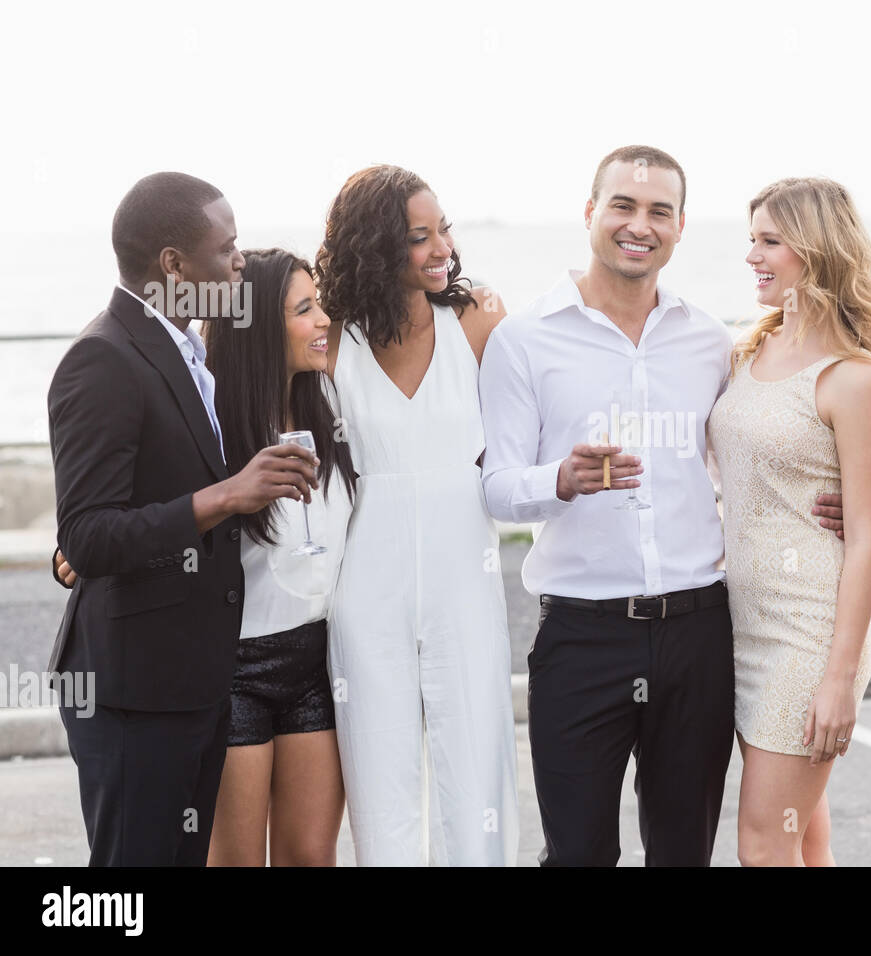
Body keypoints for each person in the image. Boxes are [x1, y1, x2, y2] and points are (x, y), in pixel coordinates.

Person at [479, 146, 846, 866]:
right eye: (622, 205)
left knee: (684, 853)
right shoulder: (524, 340)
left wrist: (820, 500)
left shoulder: (711, 340)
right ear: (590, 213)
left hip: (700, 631)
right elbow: (495, 486)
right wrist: (560, 479)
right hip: (581, 638)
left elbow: (755, 444)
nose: (638, 225)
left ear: (680, 227)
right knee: (577, 854)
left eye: (658, 212)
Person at [47, 173, 319, 866]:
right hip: (132, 692)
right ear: (173, 264)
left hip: (192, 684)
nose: (239, 263)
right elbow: (87, 537)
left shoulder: (191, 351)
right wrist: (228, 496)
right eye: (227, 250)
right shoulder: (102, 357)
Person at [316, 165, 518, 866]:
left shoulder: (480, 318)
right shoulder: (332, 338)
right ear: (374, 247)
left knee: (476, 762)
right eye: (419, 238)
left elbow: (529, 427)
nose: (443, 249)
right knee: (379, 771)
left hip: (467, 564)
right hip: (365, 576)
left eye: (445, 230)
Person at [708, 177, 871, 866]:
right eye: (751, 239)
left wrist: (839, 677)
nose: (753, 256)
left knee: (764, 840)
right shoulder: (745, 351)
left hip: (808, 632)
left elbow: (870, 533)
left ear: (815, 250)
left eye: (770, 241)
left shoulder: (851, 377)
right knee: (803, 831)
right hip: (737, 622)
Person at [201, 249, 355, 866]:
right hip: (234, 668)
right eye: (304, 309)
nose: (324, 321)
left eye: (320, 304)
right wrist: (68, 553)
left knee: (310, 859)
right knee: (237, 863)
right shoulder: (212, 427)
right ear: (261, 325)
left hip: (315, 662)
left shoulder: (332, 407)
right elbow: (147, 514)